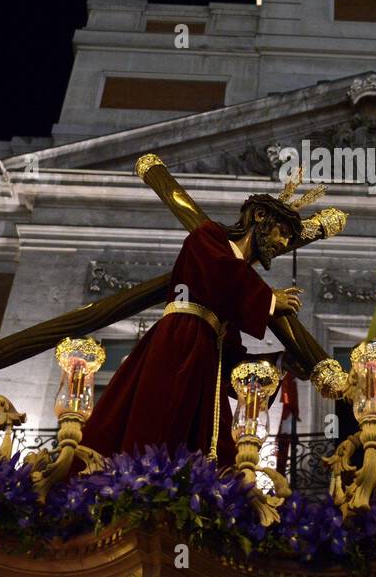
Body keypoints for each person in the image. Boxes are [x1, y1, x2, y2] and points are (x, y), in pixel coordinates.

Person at [80, 192, 304, 468]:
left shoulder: (222, 315)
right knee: (161, 426)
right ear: (259, 217)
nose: (282, 243)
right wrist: (269, 299)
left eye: (288, 240)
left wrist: (280, 362)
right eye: (282, 232)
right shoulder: (207, 238)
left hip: (206, 364)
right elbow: (219, 274)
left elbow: (233, 364)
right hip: (178, 345)